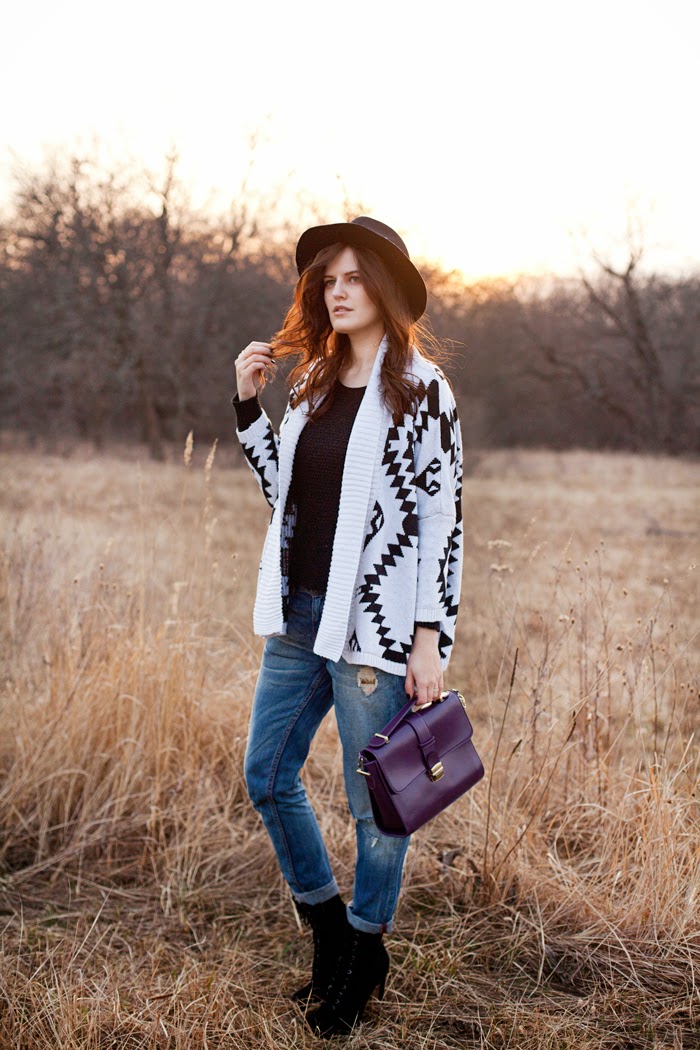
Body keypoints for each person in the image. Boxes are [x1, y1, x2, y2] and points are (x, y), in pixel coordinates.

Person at [232, 216, 463, 1037]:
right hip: (299, 614)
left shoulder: (421, 388)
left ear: (388, 292)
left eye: (355, 278)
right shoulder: (311, 385)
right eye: (327, 279)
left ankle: (365, 951)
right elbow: (285, 498)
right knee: (266, 773)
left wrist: (430, 639)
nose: (337, 291)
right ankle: (329, 929)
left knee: (378, 807)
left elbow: (442, 521)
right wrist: (247, 408)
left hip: (375, 629)